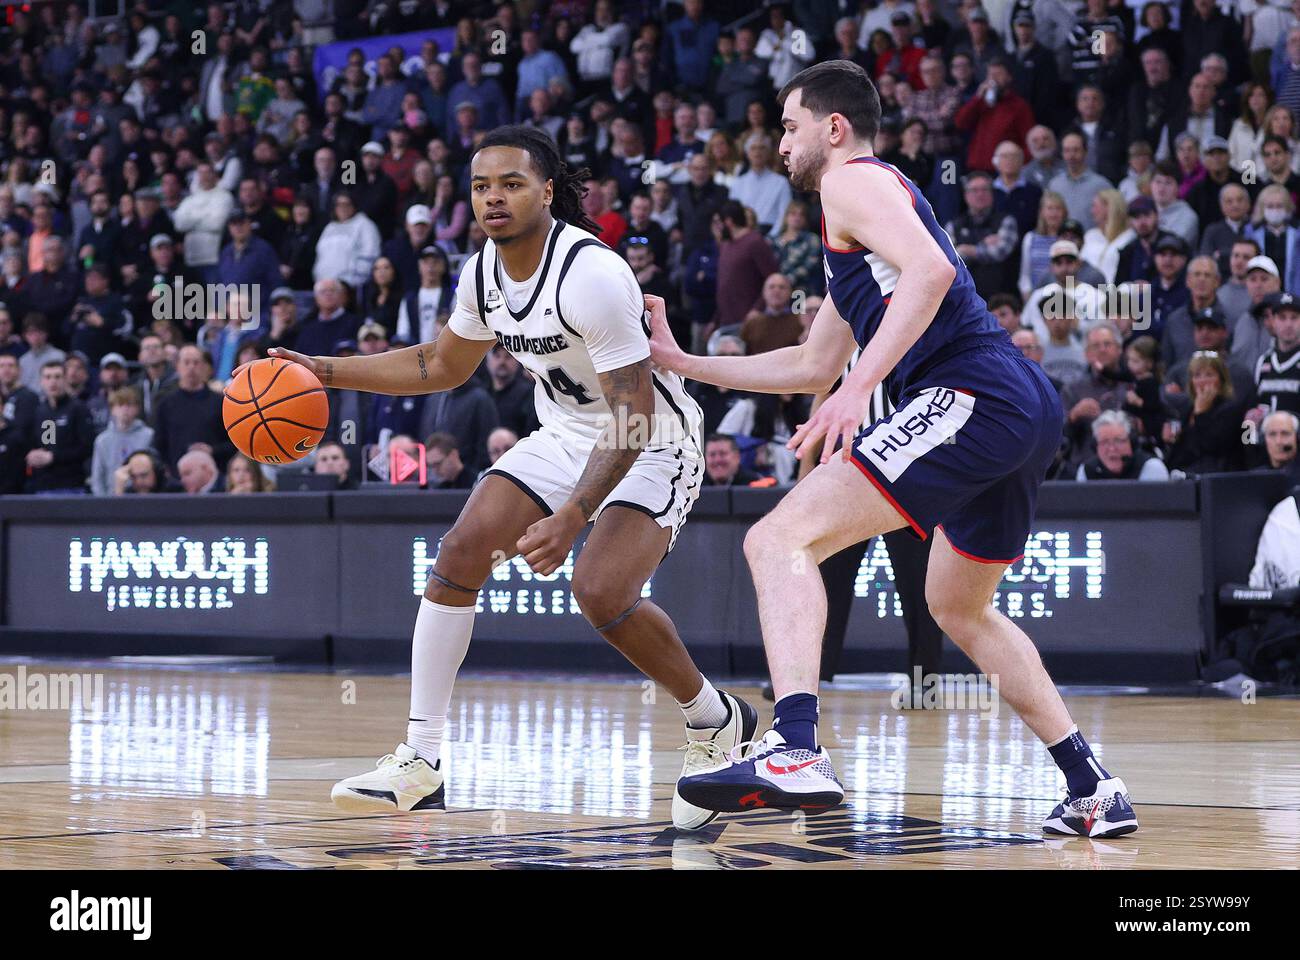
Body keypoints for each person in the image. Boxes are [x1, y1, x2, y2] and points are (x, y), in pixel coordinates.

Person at [647, 61, 1137, 837]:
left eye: (788, 124)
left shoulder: (852, 182)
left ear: (832, 128)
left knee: (777, 538)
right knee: (958, 606)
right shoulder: (857, 222)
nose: (778, 142)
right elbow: (810, 363)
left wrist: (859, 386)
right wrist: (685, 364)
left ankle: (796, 745)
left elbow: (934, 272)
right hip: (1015, 404)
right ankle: (1092, 787)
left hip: (974, 393)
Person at [270, 125, 754, 832]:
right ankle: (421, 761)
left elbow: (632, 413)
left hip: (650, 439)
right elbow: (442, 365)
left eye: (511, 183)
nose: (493, 198)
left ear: (548, 191)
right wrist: (330, 371)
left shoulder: (592, 273)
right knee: (459, 555)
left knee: (600, 589)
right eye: (480, 186)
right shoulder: (480, 273)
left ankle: (713, 718)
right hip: (565, 431)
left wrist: (573, 515)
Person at [90, 386, 153, 496]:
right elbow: (97, 478)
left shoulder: (148, 435)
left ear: (137, 409)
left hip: (142, 497)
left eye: (129, 405)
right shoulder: (102, 440)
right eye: (120, 405)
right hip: (110, 499)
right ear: (112, 409)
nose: (125, 409)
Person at [1075, 410, 1170, 481]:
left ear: (1132, 443)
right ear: (1096, 446)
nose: (1111, 448)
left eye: (1118, 441)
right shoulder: (1086, 471)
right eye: (1104, 442)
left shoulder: (1151, 468)